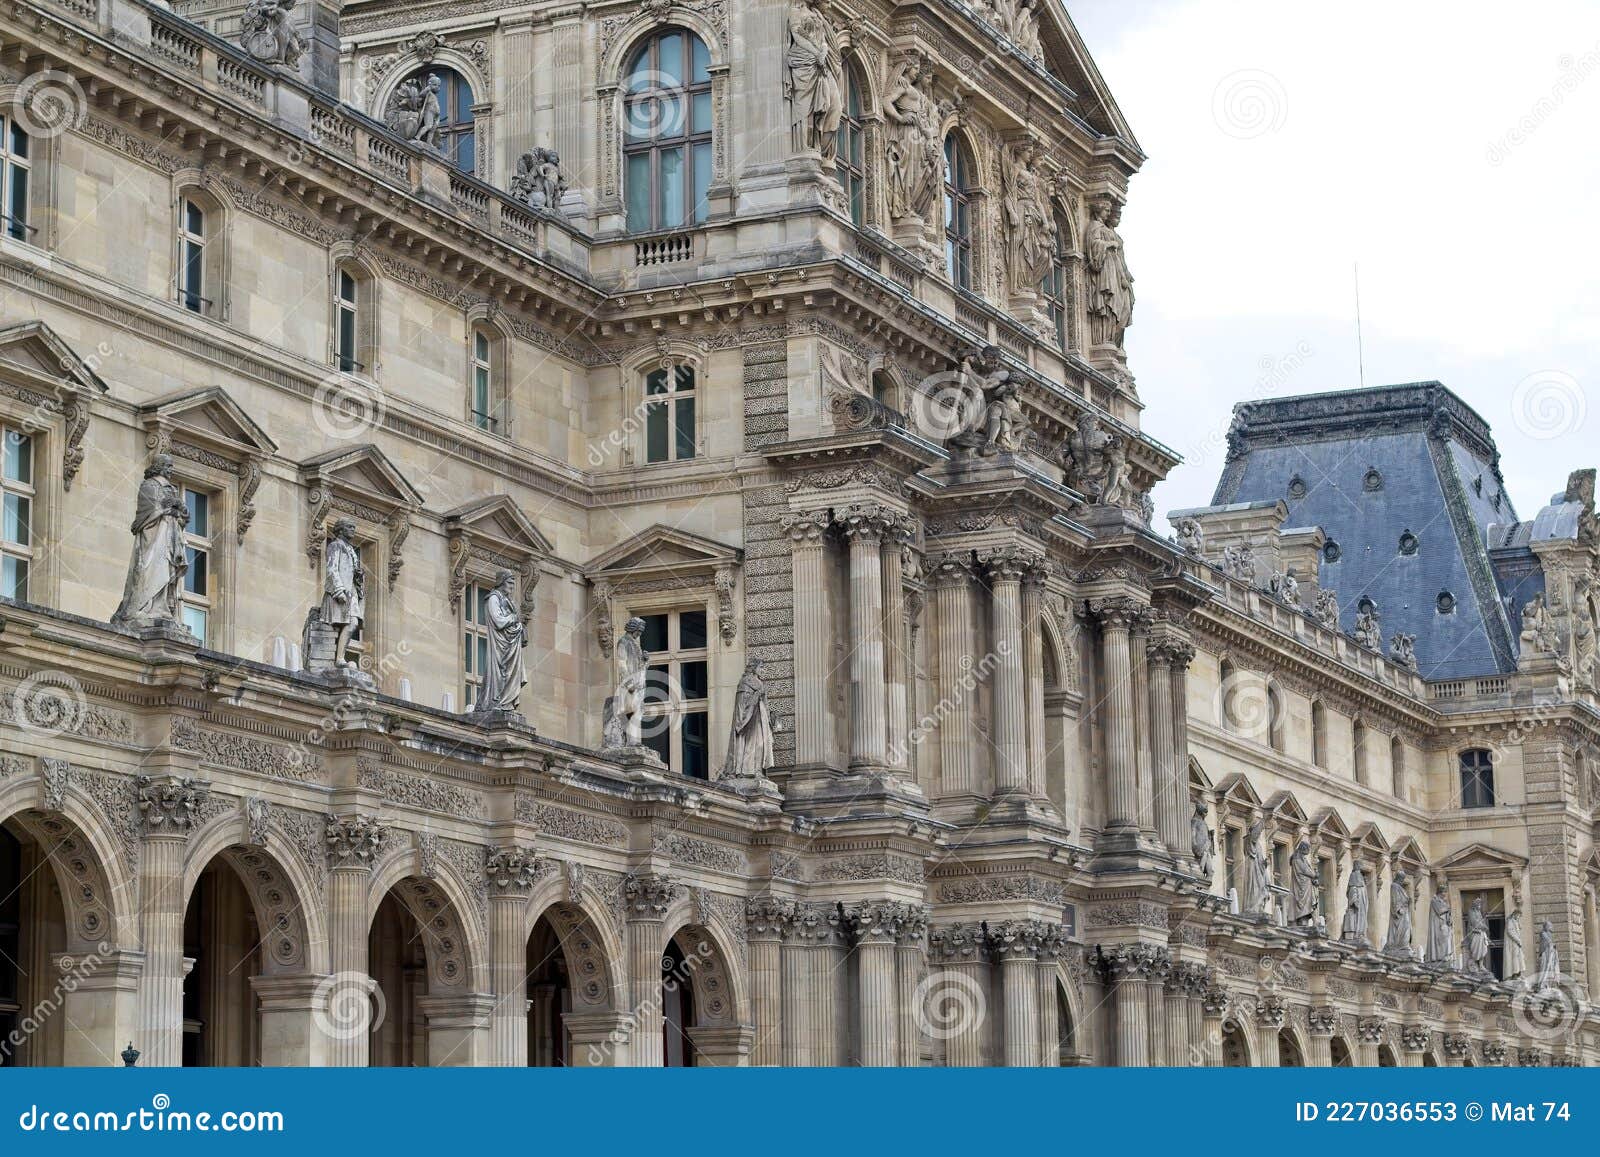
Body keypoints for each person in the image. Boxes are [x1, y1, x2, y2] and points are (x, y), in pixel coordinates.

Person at [112, 455, 189, 630]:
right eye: (168, 466)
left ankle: (161, 607)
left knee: (166, 569)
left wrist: (180, 509)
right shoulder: (149, 485)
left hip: (170, 535)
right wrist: (168, 508)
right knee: (151, 569)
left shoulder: (172, 489)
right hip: (154, 535)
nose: (171, 469)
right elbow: (146, 513)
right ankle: (145, 606)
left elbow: (183, 516)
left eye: (172, 466)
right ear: (159, 466)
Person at [475, 570, 527, 713]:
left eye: (513, 583)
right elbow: (498, 621)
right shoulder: (493, 599)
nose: (512, 586)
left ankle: (506, 704)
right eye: (510, 583)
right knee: (499, 673)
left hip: (509, 644)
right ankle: (495, 701)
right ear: (501, 582)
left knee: (510, 674)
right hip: (500, 646)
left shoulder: (507, 601)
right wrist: (513, 619)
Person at [721, 658, 779, 781]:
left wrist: (771, 717)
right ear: (754, 668)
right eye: (761, 667)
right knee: (752, 745)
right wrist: (755, 698)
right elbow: (741, 705)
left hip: (761, 720)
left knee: (761, 745)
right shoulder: (746, 682)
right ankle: (748, 771)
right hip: (750, 721)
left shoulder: (761, 684)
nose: (763, 670)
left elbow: (764, 704)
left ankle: (758, 770)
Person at [320, 518, 366, 670]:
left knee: (352, 623)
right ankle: (338, 658)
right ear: (340, 529)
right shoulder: (335, 546)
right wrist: (339, 590)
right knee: (341, 625)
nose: (353, 529)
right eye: (350, 527)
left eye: (354, 527)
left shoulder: (351, 550)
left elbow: (350, 573)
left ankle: (340, 657)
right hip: (339, 593)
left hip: (351, 592)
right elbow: (332, 569)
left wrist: (359, 575)